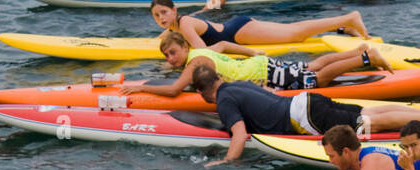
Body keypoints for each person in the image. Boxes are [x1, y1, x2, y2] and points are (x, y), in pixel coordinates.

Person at [190, 67, 420, 163]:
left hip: (305, 118)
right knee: (366, 113)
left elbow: (239, 135)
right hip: (306, 100)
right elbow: (269, 92)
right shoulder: (238, 84)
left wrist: (227, 162)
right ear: (218, 77)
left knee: (366, 124)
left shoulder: (224, 100)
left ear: (201, 91)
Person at [121, 29, 390, 98]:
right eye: (166, 55)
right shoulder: (203, 51)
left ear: (185, 47)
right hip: (263, 66)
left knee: (316, 80)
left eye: (172, 52)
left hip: (264, 75)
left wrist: (142, 88)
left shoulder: (196, 63)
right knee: (311, 67)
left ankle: (365, 58)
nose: (171, 58)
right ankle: (359, 50)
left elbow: (173, 91)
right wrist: (253, 53)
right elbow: (225, 45)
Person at [150, 0, 371, 51]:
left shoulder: (185, 24)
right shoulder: (175, 26)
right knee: (295, 28)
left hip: (240, 34)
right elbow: (166, 31)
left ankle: (349, 18)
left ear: (175, 10)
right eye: (157, 15)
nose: (161, 18)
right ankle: (340, 28)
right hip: (240, 27)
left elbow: (204, 53)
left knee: (296, 34)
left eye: (164, 12)